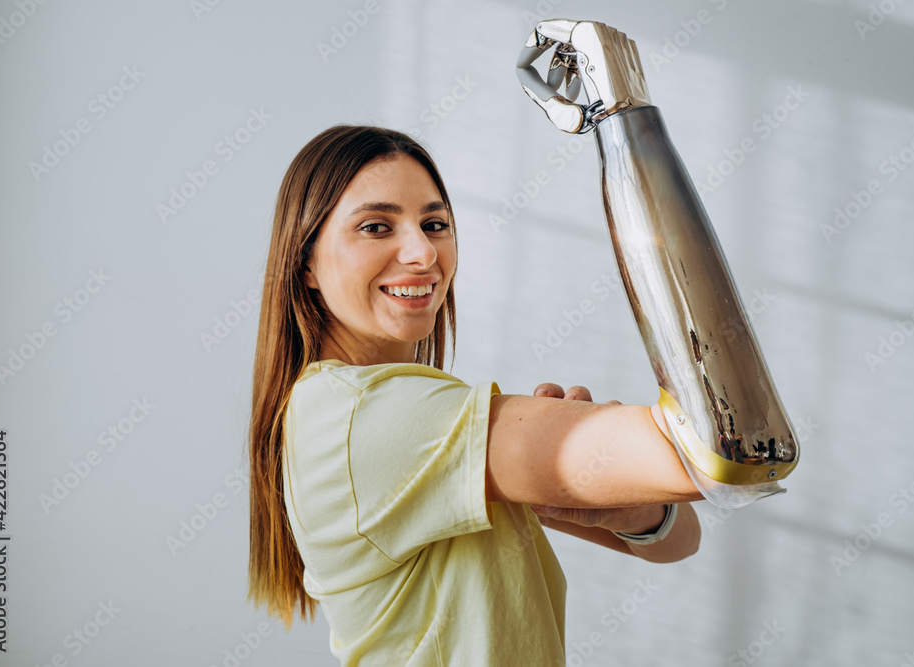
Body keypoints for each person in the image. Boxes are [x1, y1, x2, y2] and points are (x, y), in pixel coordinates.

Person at [246, 124, 704, 665]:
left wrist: (620, 512)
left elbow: (680, 539)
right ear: (306, 262)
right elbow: (710, 452)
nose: (422, 252)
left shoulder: (359, 408)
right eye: (376, 226)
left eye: (435, 223)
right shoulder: (370, 415)